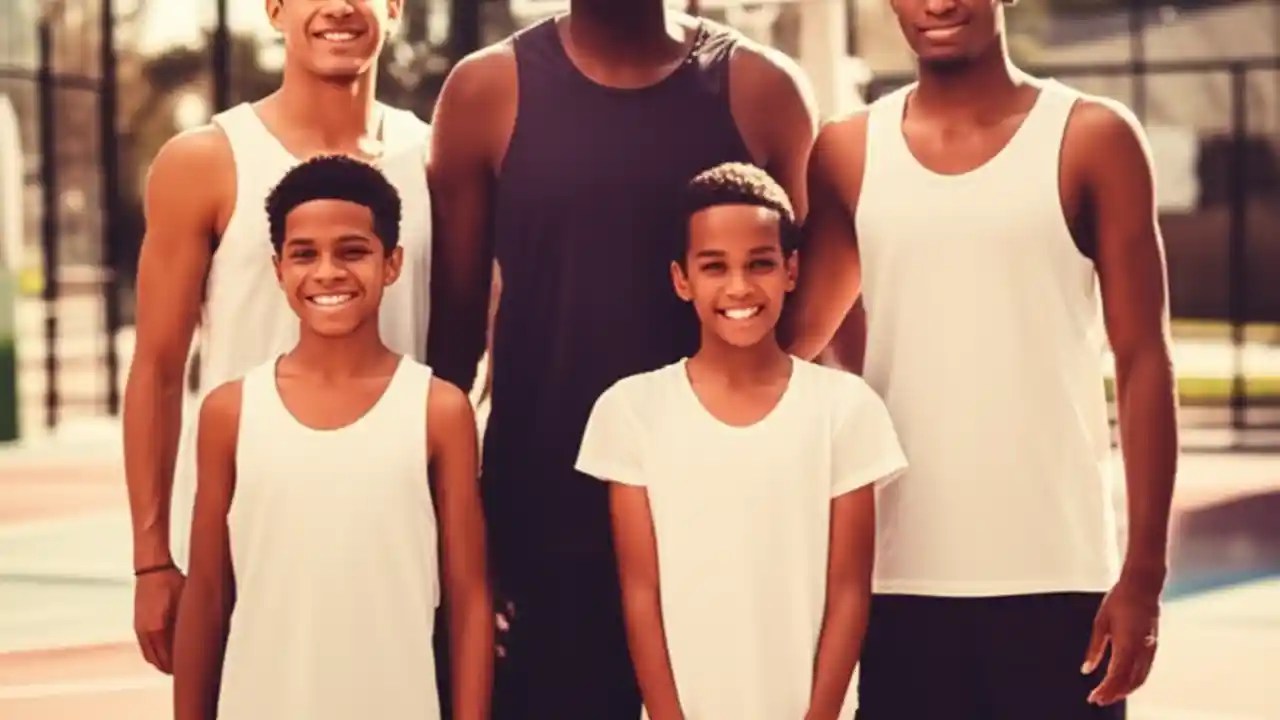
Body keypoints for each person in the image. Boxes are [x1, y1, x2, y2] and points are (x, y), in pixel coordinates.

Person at [786, 0, 1179, 717]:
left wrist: (1145, 573)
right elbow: (794, 342)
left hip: (1060, 574)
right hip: (899, 577)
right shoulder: (846, 151)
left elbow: (1144, 358)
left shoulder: (1093, 138)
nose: (938, 4)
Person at [426, 0, 817, 715]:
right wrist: (457, 541)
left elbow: (799, 322)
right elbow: (451, 353)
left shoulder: (763, 90)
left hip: (719, 519)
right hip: (542, 523)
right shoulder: (486, 92)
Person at [123, 0, 433, 676]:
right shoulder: (203, 161)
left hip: (394, 530)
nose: (339, 7)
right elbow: (157, 367)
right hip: (243, 532)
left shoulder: (435, 158)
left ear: (395, 8)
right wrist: (152, 560)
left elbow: (466, 360)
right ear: (274, 10)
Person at [575, 163, 906, 720]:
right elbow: (640, 591)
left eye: (760, 263)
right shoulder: (632, 410)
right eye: (714, 266)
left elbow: (849, 591)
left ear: (790, 270)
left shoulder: (845, 410)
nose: (739, 287)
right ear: (682, 279)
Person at [171, 155, 491, 720]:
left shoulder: (438, 411)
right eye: (304, 254)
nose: (327, 272)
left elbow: (467, 599)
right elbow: (207, 599)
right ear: (278, 269)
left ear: (391, 263)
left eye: (352, 251)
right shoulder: (230, 413)